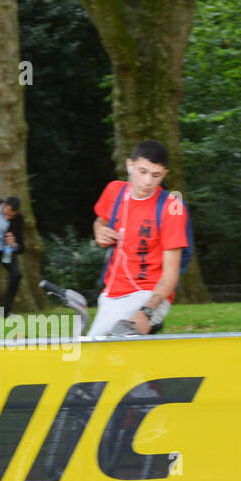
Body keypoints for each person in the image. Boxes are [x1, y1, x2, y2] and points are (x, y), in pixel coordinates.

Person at [90, 139, 189, 336]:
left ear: (165, 174)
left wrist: (146, 312)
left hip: (149, 294)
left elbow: (170, 276)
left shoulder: (172, 207)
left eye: (156, 175)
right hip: (111, 293)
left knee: (103, 351)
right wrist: (99, 229)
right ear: (129, 165)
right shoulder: (114, 191)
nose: (147, 181)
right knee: (96, 353)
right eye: (142, 172)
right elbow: (99, 221)